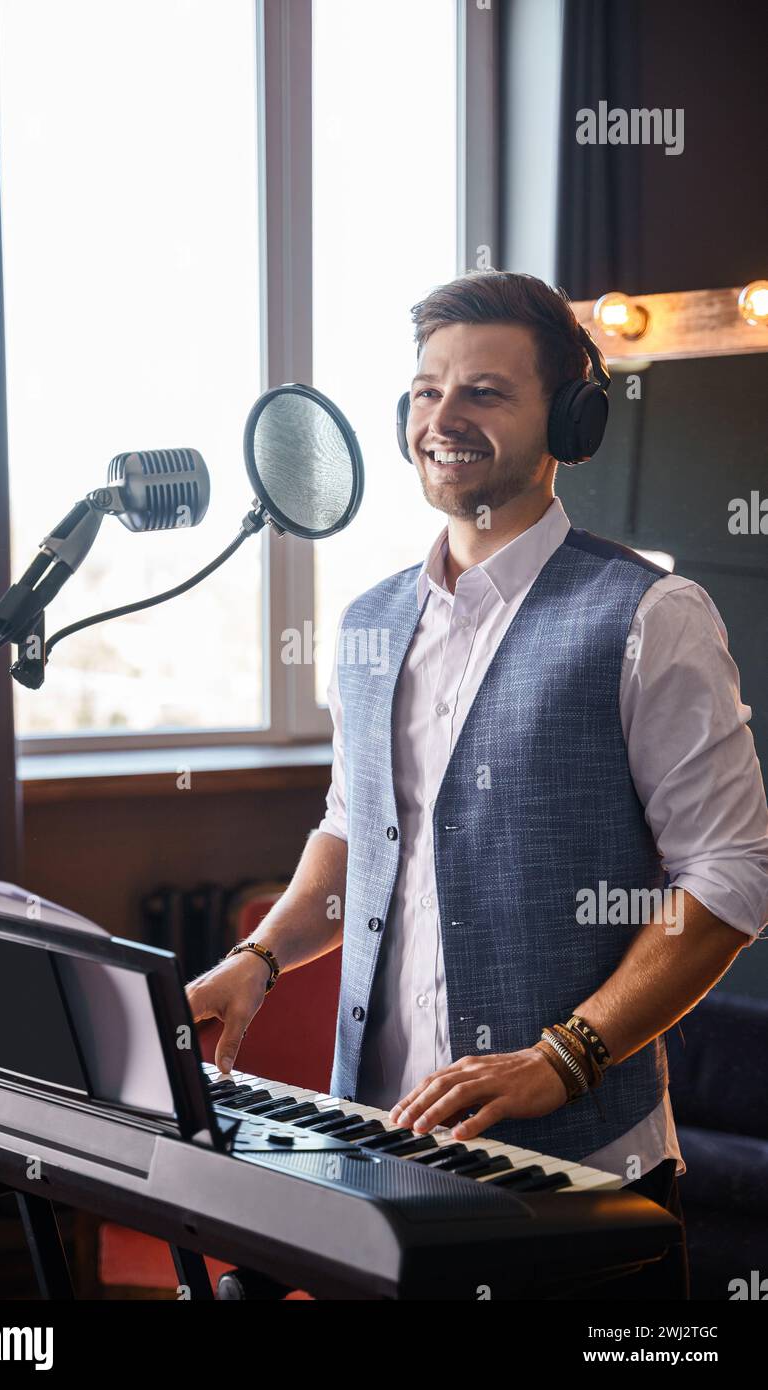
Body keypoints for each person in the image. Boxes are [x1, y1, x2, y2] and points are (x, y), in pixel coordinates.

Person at [186, 270, 768, 1297]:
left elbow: (730, 873)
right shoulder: (367, 622)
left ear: (570, 419)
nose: (440, 419)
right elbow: (352, 831)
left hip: (583, 1177)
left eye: (483, 393)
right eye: (423, 392)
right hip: (375, 1150)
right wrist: (259, 956)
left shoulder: (651, 614)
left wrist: (567, 1055)